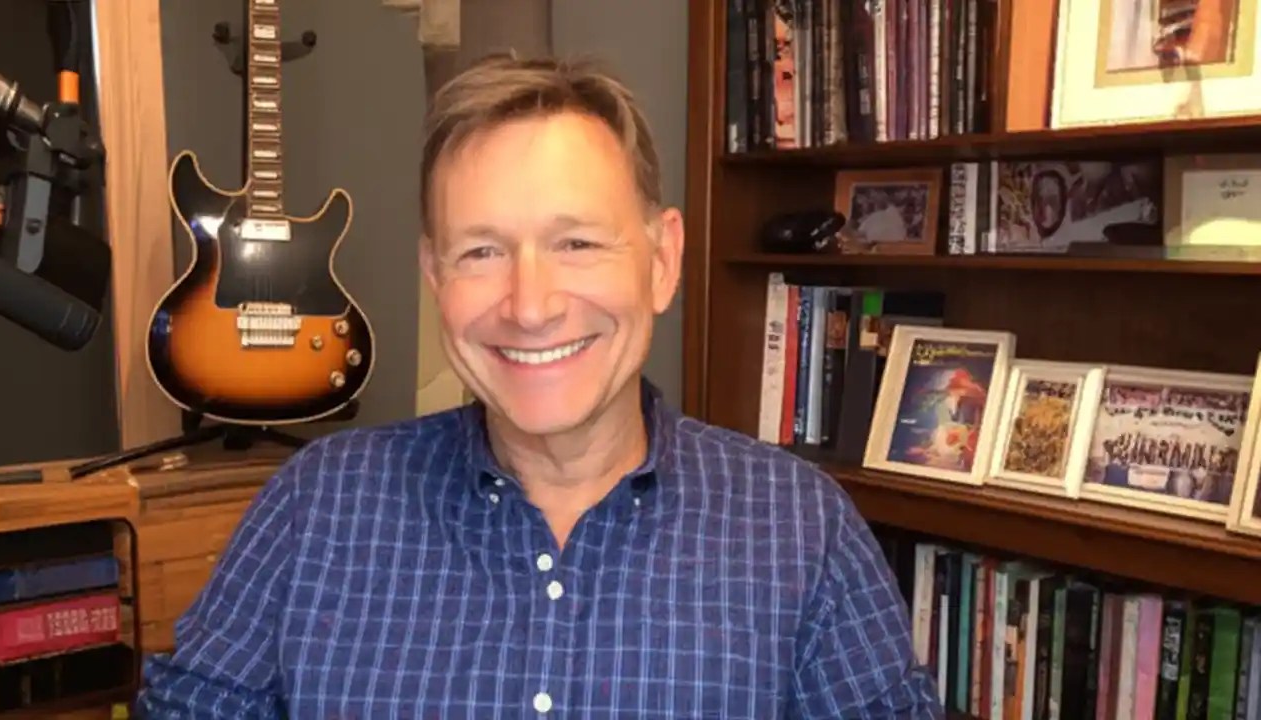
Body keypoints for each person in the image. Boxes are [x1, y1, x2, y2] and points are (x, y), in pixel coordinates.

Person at [135, 54, 942, 718]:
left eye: (578, 242)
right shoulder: (317, 508)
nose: (530, 307)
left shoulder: (799, 529)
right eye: (481, 252)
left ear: (662, 262)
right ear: (433, 276)